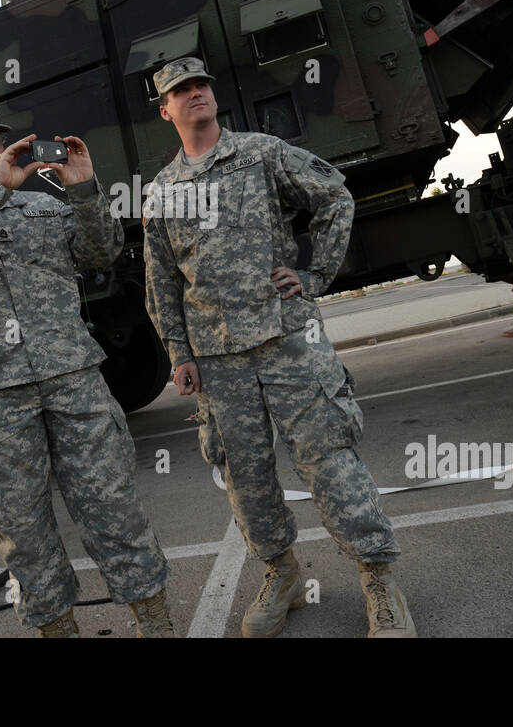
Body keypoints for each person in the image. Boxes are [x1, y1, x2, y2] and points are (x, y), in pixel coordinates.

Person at [141, 57, 413, 638]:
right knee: (245, 476)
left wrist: (314, 274)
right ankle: (280, 574)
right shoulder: (161, 192)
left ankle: (379, 581)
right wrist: (178, 353)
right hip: (217, 357)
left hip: (288, 338)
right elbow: (161, 279)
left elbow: (334, 196)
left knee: (330, 460)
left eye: (201, 86)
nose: (195, 95)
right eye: (180, 92)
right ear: (165, 110)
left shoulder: (262, 153)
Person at [0, 103, 172, 637]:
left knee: (114, 508)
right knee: (22, 528)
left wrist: (85, 189)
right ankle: (58, 630)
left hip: (72, 379)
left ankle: (156, 625)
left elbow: (102, 251)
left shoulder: (47, 207)